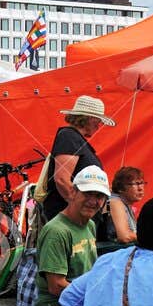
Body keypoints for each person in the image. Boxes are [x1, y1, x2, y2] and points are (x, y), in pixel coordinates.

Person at [34, 165, 109, 306]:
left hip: (82, 300)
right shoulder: (57, 231)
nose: (93, 201)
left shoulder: (90, 224)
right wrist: (97, 299)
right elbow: (55, 286)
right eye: (87, 194)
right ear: (73, 192)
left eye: (99, 196)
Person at [38, 95, 114, 226]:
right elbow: (61, 179)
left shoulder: (75, 138)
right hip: (68, 218)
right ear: (89, 118)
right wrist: (79, 210)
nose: (99, 125)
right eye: (98, 120)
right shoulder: (69, 136)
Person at [107, 166, 144, 245]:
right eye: (136, 184)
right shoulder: (115, 202)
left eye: (142, 183)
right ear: (120, 188)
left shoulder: (126, 204)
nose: (140, 188)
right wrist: (148, 235)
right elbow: (124, 236)